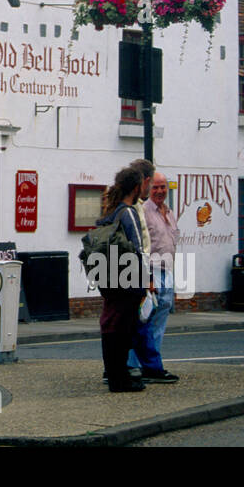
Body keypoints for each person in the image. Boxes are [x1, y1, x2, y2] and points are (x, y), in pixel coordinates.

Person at [96, 166, 150, 392]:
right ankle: (120, 380)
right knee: (124, 328)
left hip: (109, 277)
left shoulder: (110, 212)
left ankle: (115, 375)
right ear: (137, 187)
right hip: (128, 279)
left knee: (111, 325)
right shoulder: (128, 213)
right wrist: (146, 281)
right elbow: (139, 250)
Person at [129, 172, 180, 383]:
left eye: (163, 187)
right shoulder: (144, 212)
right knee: (144, 322)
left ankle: (152, 365)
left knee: (159, 323)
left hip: (167, 272)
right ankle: (134, 366)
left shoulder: (169, 212)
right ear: (148, 189)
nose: (160, 191)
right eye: (155, 187)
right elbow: (142, 246)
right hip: (151, 272)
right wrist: (147, 277)